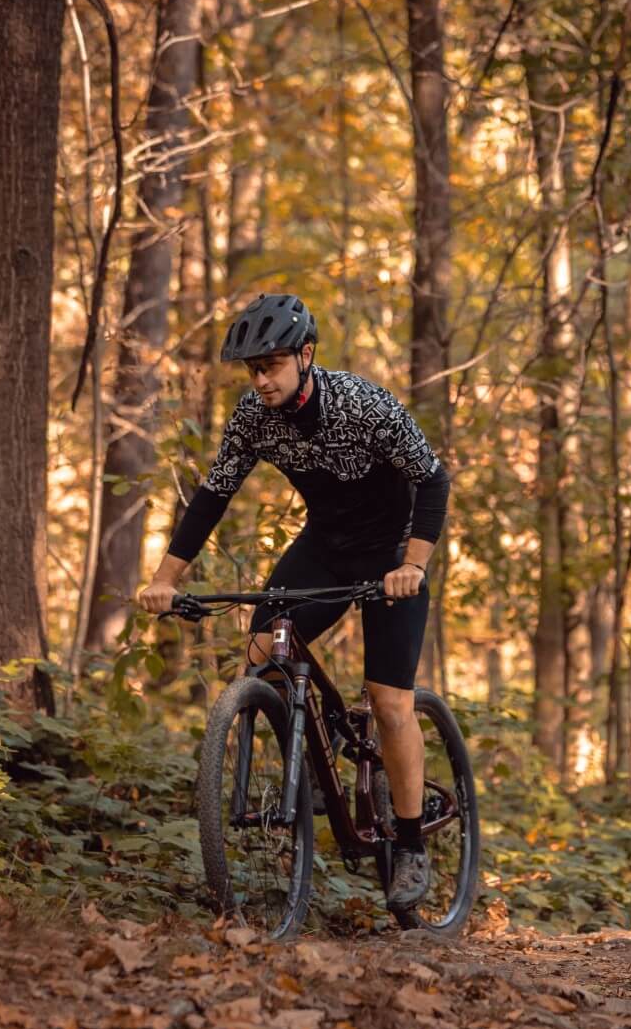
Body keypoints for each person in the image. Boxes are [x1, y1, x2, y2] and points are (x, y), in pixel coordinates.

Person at [137, 293, 451, 910]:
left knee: (390, 704)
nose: (262, 380)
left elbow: (432, 478)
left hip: (390, 554)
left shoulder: (361, 403)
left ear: (305, 356)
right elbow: (212, 497)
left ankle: (411, 846)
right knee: (263, 646)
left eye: (273, 365)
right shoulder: (253, 418)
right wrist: (164, 579)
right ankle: (307, 760)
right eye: (253, 369)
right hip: (326, 546)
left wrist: (413, 565)